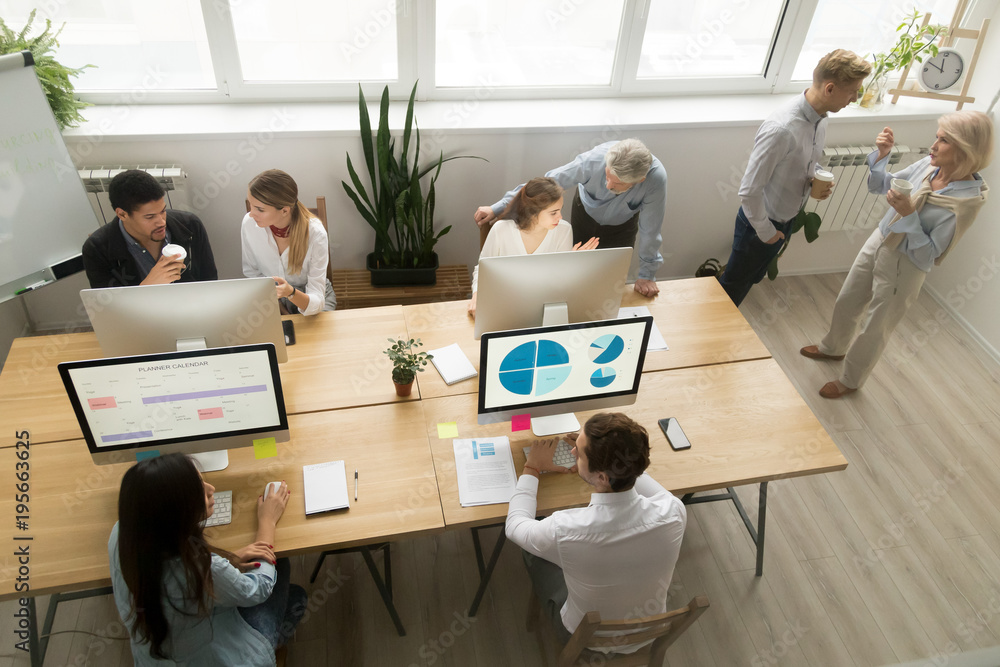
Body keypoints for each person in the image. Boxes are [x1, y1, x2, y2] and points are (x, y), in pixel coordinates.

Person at [801, 111, 992, 398]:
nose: (934, 145)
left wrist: (908, 215)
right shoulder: (929, 166)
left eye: (944, 140)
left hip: (907, 262)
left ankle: (851, 380)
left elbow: (929, 255)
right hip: (880, 237)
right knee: (849, 298)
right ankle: (833, 348)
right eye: (937, 137)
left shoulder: (965, 202)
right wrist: (882, 155)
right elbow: (881, 184)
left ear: (966, 149)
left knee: (876, 326)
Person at [506, 413, 687, 651]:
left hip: (585, 638)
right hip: (648, 632)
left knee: (534, 550)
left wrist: (532, 467)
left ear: (602, 477)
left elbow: (515, 526)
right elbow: (637, 477)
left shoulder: (565, 529)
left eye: (578, 453)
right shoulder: (675, 511)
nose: (572, 453)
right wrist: (607, 454)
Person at [109, 453, 307, 666]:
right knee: (290, 581)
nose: (211, 489)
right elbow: (259, 589)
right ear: (178, 514)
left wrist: (230, 559)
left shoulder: (121, 533)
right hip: (219, 658)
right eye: (198, 490)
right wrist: (267, 521)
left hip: (156, 657)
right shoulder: (196, 568)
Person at [718, 50, 872, 306]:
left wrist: (814, 178)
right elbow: (749, 190)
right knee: (733, 286)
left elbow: (803, 160)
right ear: (830, 88)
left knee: (751, 279)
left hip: (784, 220)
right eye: (853, 92)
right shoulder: (782, 129)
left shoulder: (821, 119)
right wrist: (767, 232)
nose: (855, 98)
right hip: (761, 225)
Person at [475, 139, 666, 297]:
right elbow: (544, 186)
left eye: (616, 184)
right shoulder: (593, 161)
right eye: (606, 176)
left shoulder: (655, 181)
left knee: (609, 286)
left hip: (621, 227)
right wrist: (496, 207)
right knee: (578, 280)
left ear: (639, 180)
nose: (608, 185)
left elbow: (651, 230)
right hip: (583, 216)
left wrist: (647, 275)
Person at [468, 176, 598, 317]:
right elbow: (483, 269)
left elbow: (558, 284)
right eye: (553, 212)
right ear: (532, 212)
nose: (560, 217)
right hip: (503, 306)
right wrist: (476, 296)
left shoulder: (564, 230)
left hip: (543, 307)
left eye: (560, 210)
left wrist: (572, 264)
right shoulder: (501, 230)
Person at [83, 170, 218, 288]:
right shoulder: (97, 249)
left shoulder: (190, 226)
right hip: (138, 317)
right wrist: (148, 286)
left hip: (193, 311)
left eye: (162, 211)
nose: (161, 222)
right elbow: (110, 311)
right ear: (122, 214)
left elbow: (210, 283)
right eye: (150, 217)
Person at [242, 169, 336, 315]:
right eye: (251, 205)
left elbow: (317, 299)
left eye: (259, 209)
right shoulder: (249, 224)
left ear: (285, 211)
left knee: (315, 337)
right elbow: (253, 274)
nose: (251, 214)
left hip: (309, 298)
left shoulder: (316, 234)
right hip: (271, 298)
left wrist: (290, 293)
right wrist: (279, 309)